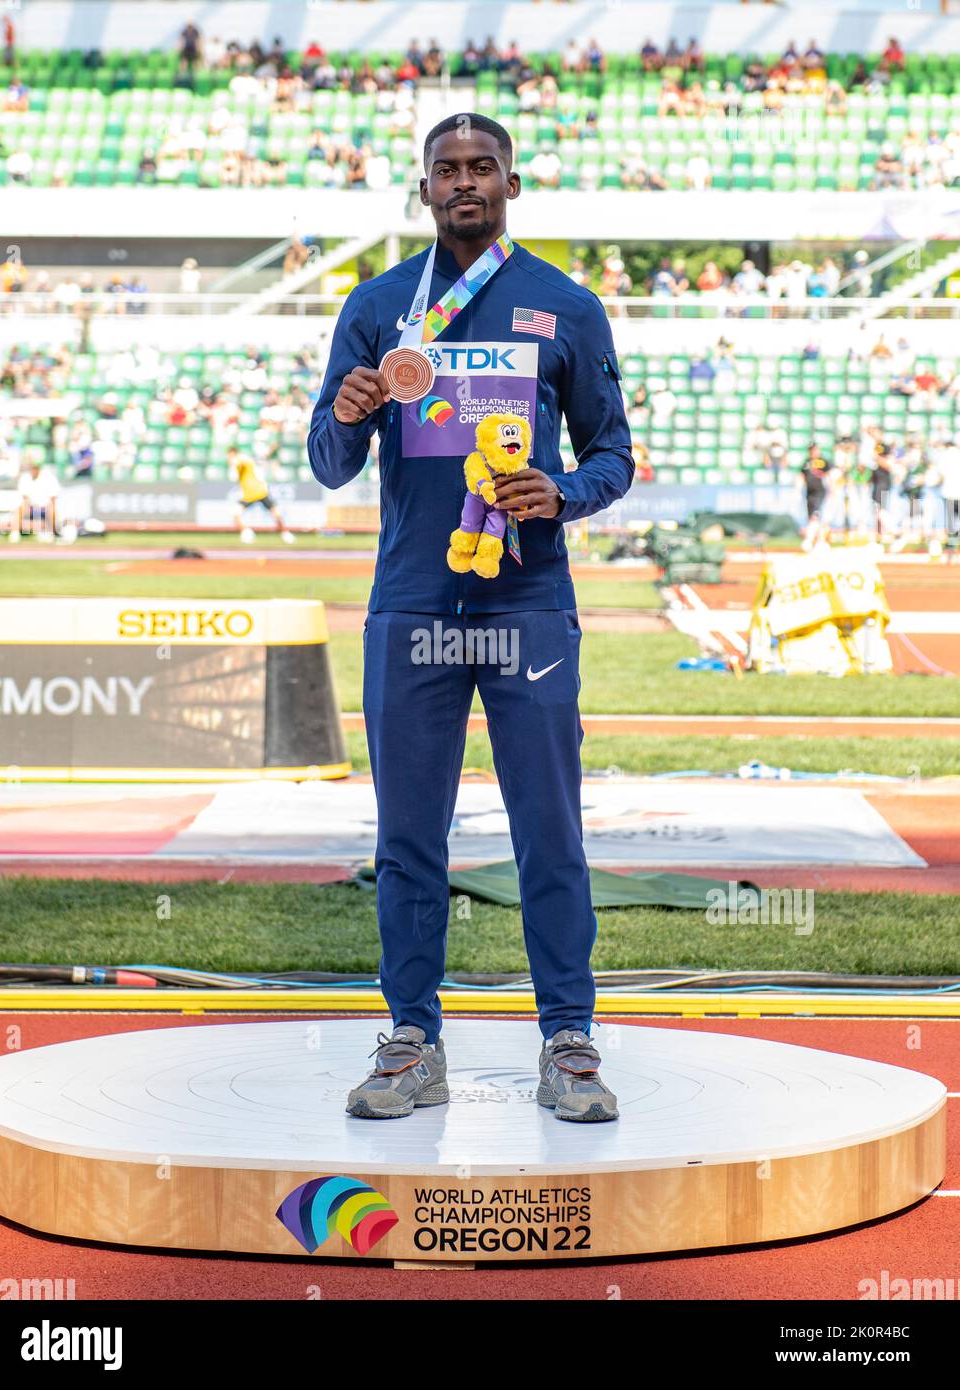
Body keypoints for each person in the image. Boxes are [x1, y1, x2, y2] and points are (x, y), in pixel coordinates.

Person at [308, 112, 634, 1124]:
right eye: (445, 169)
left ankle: (567, 1038)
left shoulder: (564, 308)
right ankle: (411, 1037)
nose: (463, 182)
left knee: (550, 831)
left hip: (528, 604)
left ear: (510, 182)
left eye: (480, 166)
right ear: (422, 191)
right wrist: (351, 411)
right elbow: (327, 461)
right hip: (411, 603)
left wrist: (564, 493)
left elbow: (612, 456)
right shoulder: (374, 306)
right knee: (409, 836)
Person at [227, 445, 294, 544]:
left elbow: (240, 463)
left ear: (233, 454)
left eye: (229, 456)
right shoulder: (244, 461)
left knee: (236, 514)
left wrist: (235, 461)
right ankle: (285, 533)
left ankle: (247, 532)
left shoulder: (241, 460)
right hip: (256, 492)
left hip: (254, 492)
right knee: (275, 513)